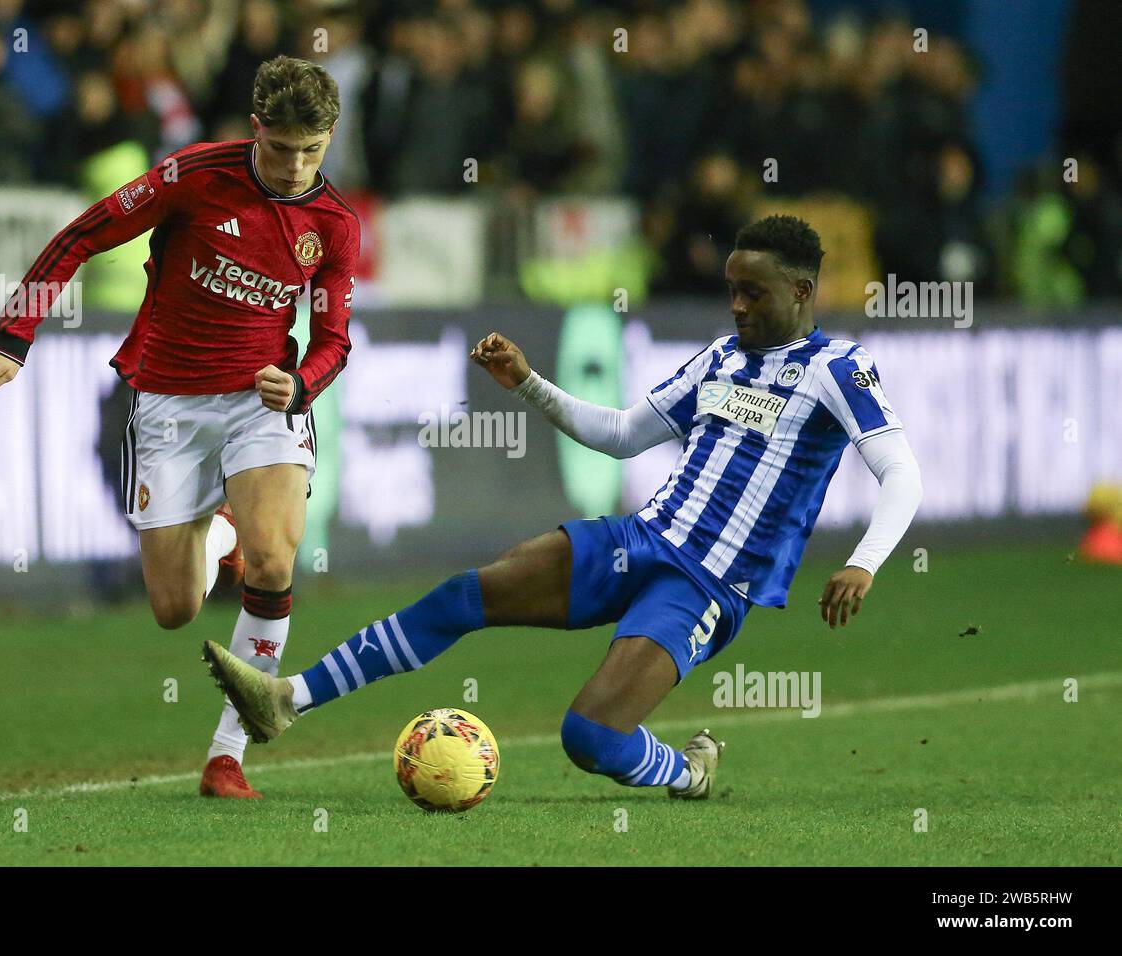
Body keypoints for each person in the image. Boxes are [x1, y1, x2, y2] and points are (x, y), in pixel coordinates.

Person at [203, 215, 921, 799]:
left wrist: (862, 563)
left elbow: (902, 474)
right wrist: (527, 383)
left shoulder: (838, 369)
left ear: (801, 290)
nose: (737, 306)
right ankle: (286, 698)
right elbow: (621, 435)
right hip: (641, 539)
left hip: (704, 585)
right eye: (732, 290)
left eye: (754, 294)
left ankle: (687, 770)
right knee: (464, 596)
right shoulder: (720, 358)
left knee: (591, 739)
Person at [0, 56, 360, 800]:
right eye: (282, 149)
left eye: (313, 150)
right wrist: (12, 338)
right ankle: (220, 534)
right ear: (255, 130)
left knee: (275, 562)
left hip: (260, 405)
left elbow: (335, 338)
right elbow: (82, 234)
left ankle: (227, 755)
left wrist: (302, 381)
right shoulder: (193, 176)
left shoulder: (334, 225)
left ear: (330, 138)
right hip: (169, 404)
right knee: (175, 611)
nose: (296, 166)